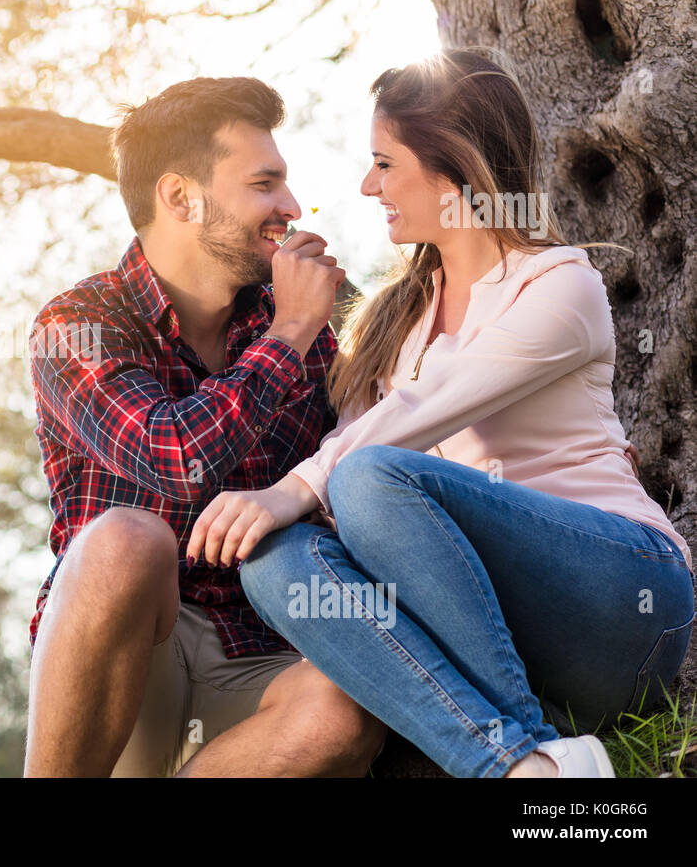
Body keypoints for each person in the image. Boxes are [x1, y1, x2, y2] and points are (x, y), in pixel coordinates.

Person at [187, 47, 695, 778]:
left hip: (620, 608)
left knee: (362, 478)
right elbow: (356, 476)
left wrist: (293, 487)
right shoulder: (398, 322)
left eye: (385, 163)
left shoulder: (559, 286)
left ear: (453, 165)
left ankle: (515, 749)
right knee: (275, 558)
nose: (367, 185)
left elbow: (420, 415)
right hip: (506, 646)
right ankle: (523, 767)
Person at [22, 76, 386, 776]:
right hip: (121, 682)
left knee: (350, 704)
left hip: (254, 668)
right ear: (181, 197)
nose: (290, 206)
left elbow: (381, 444)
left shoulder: (311, 326)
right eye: (264, 183)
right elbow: (174, 454)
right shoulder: (76, 326)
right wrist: (289, 337)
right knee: (129, 540)